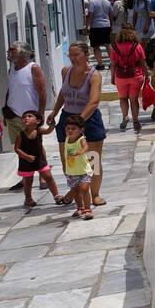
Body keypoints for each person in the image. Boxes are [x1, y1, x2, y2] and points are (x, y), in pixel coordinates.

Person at [47, 42, 107, 207]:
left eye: (76, 55)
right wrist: (54, 111)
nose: (73, 59)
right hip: (67, 118)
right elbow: (63, 93)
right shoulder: (66, 71)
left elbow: (94, 101)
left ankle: (94, 194)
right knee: (68, 160)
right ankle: (75, 191)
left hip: (88, 119)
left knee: (93, 159)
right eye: (70, 55)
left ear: (86, 54)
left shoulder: (94, 75)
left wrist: (79, 122)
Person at [2, 42, 46, 156]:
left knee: (36, 146)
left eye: (12, 50)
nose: (9, 52)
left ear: (23, 53)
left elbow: (42, 92)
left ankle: (43, 169)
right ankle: (26, 172)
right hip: (13, 116)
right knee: (19, 147)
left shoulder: (33, 68)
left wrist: (41, 114)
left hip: (29, 117)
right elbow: (10, 90)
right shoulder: (11, 69)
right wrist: (6, 113)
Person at [12, 110, 61, 208]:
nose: (26, 118)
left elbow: (48, 131)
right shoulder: (20, 134)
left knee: (48, 177)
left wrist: (52, 125)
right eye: (24, 117)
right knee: (28, 181)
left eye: (30, 116)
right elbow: (17, 149)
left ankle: (56, 195)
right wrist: (27, 156)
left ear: (38, 121)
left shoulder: (39, 131)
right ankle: (28, 198)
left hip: (39, 160)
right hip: (26, 161)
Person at [109, 26, 148, 133]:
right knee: (134, 99)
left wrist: (112, 77)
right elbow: (142, 63)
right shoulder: (137, 46)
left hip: (120, 76)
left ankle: (125, 116)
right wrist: (147, 74)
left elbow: (113, 65)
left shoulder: (114, 47)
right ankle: (135, 120)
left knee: (122, 98)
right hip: (136, 75)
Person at [61, 115, 94, 220]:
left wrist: (81, 152)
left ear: (81, 130)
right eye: (68, 128)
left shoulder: (81, 139)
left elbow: (86, 146)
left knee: (84, 188)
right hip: (71, 171)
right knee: (75, 191)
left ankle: (88, 209)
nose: (70, 131)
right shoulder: (66, 139)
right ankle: (80, 207)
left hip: (84, 170)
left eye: (73, 128)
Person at [86, 0, 113, 69]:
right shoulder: (107, 2)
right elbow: (111, 14)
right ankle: (113, 62)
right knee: (108, 45)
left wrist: (87, 26)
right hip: (106, 25)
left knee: (96, 46)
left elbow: (90, 15)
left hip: (96, 26)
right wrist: (111, 25)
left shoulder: (92, 2)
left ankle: (100, 65)